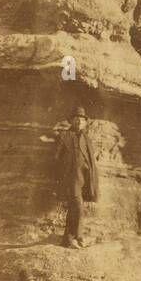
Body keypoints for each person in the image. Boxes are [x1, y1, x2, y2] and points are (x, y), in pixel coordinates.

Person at [44, 106, 99, 248]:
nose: (79, 122)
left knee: (74, 208)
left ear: (85, 122)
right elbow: (56, 158)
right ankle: (79, 237)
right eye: (77, 119)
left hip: (84, 178)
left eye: (82, 119)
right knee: (78, 207)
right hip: (70, 177)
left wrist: (91, 178)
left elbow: (91, 159)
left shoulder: (86, 138)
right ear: (72, 121)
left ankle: (67, 239)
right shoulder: (64, 136)